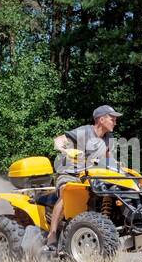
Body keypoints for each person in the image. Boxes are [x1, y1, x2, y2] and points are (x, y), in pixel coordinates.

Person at [45, 105, 121, 252]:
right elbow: (59, 140)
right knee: (66, 193)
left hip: (90, 175)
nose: (115, 122)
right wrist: (65, 149)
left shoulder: (109, 138)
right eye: (112, 119)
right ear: (101, 119)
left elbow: (108, 157)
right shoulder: (85, 131)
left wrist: (118, 166)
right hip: (70, 173)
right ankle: (52, 234)